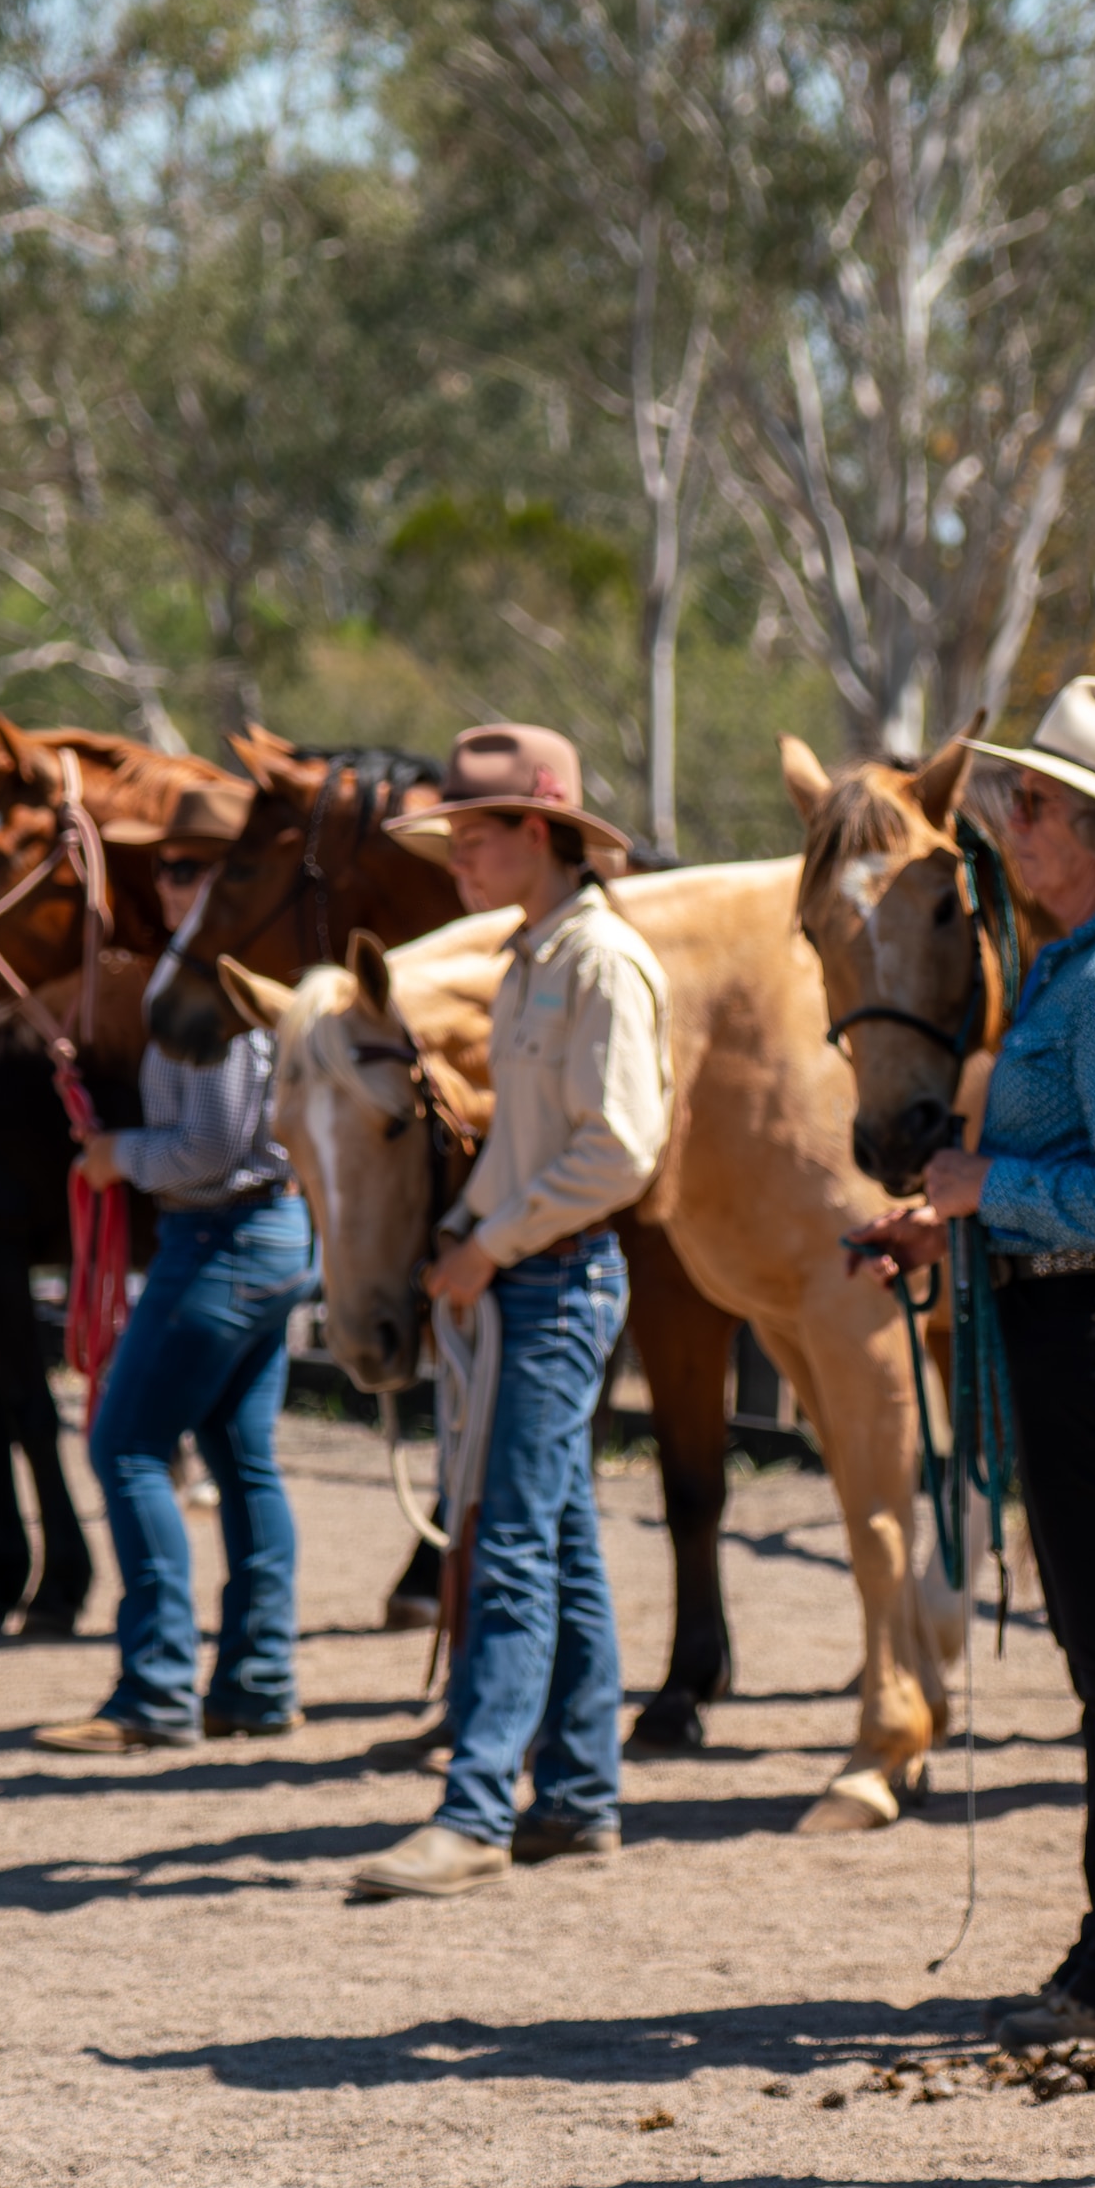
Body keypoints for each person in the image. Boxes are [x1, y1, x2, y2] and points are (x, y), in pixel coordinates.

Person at [851, 675, 1095, 2054]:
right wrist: (950, 1211)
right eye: (1017, 792)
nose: (1009, 814)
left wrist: (977, 1184)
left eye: (1039, 799)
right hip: (1074, 1319)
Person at [347, 725, 672, 1902]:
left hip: (556, 1279)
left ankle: (477, 1803)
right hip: (535, 1274)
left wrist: (486, 1238)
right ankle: (577, 1792)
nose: (457, 861)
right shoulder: (540, 954)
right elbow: (539, 1141)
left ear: (536, 833)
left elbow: (620, 1149)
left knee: (515, 1541)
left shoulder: (595, 963)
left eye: (473, 838)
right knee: (558, 1537)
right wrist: (468, 1230)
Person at [35, 783, 318, 1754]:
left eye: (194, 867)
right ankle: (256, 1680)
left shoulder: (213, 984)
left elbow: (205, 1145)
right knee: (242, 1457)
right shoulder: (217, 974)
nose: (172, 882)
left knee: (124, 1444)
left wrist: (119, 1154)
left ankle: (156, 1687)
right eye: (164, 864)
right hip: (262, 1236)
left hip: (221, 1234)